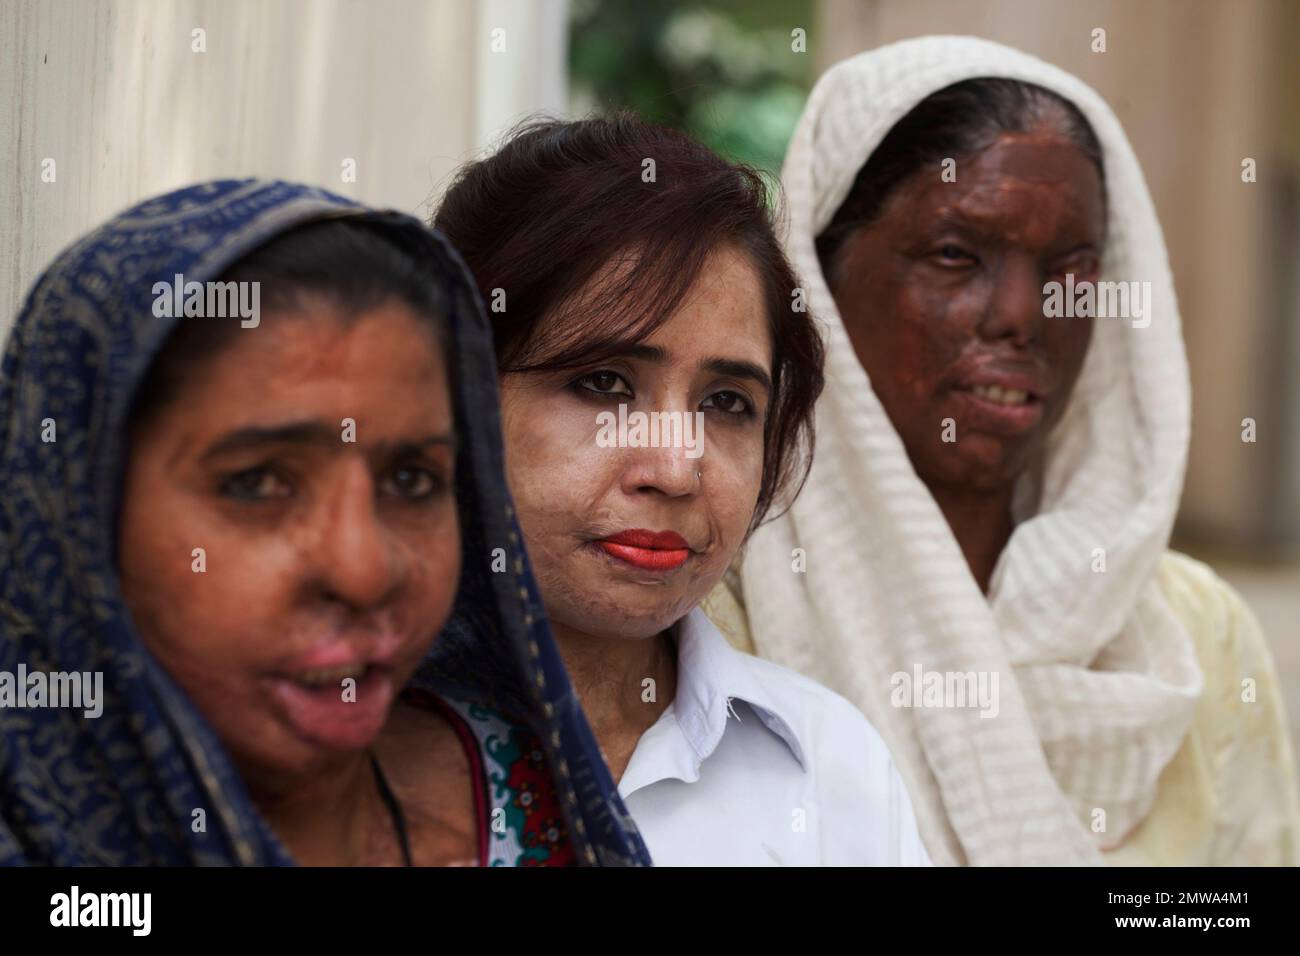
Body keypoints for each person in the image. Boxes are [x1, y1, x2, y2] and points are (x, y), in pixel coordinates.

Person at [705, 36, 1300, 865]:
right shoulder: (713, 618)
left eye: (1071, 268)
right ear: (820, 277)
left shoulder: (1196, 633)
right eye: (955, 255)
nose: (1021, 313)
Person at [0, 178, 649, 867]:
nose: (364, 570)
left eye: (413, 480)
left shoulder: (534, 801)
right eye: (257, 484)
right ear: (76, 513)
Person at [435, 115, 930, 865]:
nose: (673, 471)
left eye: (727, 403)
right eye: (603, 385)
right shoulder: (324, 749)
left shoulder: (827, 768)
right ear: (455, 396)